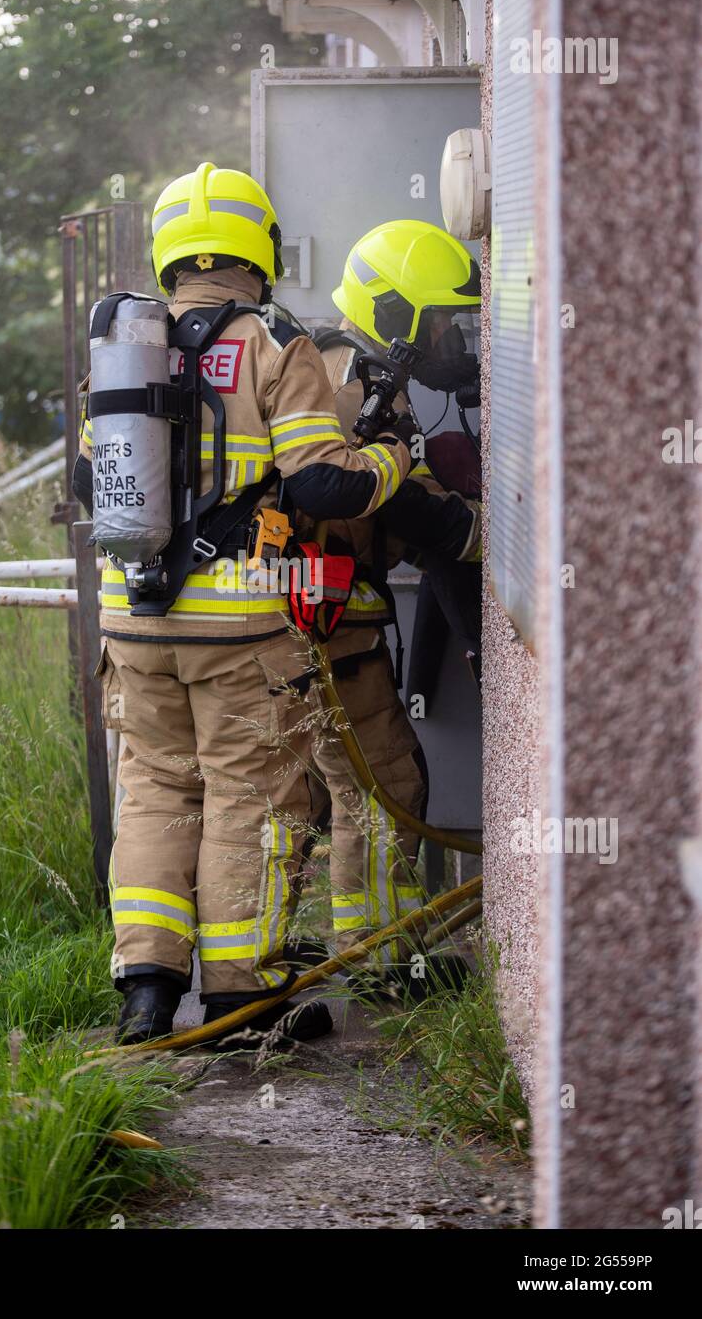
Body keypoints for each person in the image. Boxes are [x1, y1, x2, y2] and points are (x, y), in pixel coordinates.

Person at [72, 164, 417, 1043]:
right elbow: (324, 483)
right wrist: (395, 462)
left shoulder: (125, 347)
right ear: (258, 247)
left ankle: (147, 991)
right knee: (250, 799)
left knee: (153, 792)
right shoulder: (270, 339)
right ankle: (239, 995)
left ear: (168, 252)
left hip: (132, 620)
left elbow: (90, 480)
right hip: (239, 631)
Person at [304, 220, 482, 981]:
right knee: (383, 788)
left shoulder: (344, 369)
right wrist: (475, 531)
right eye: (438, 322)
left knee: (333, 790)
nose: (449, 340)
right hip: (325, 625)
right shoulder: (352, 385)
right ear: (395, 316)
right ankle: (378, 965)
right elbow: (389, 507)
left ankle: (274, 963)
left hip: (309, 617)